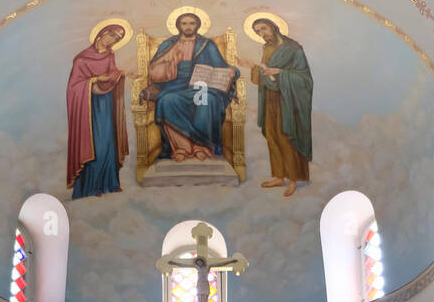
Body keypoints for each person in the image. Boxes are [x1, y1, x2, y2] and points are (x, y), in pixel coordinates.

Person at [144, 11, 237, 162]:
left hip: (203, 86)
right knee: (167, 100)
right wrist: (171, 63)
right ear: (178, 25)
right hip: (175, 86)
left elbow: (222, 66)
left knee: (207, 101)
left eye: (192, 23)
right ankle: (181, 148)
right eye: (184, 23)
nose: (188, 27)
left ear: (198, 25)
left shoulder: (207, 44)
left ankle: (202, 147)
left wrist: (234, 72)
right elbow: (154, 69)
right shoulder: (169, 44)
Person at [241, 17, 312, 198]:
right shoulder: (267, 49)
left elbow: (304, 78)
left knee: (287, 136)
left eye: (264, 29)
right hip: (270, 98)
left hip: (289, 101)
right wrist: (254, 68)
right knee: (272, 136)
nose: (262, 34)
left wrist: (281, 73)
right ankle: (279, 176)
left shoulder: (294, 49)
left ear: (274, 27)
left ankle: (294, 179)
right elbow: (264, 75)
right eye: (258, 32)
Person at [66, 24, 130, 198]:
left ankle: (109, 183)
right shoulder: (81, 59)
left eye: (117, 38)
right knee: (93, 144)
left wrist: (120, 74)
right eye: (112, 35)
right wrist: (94, 79)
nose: (113, 40)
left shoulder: (110, 56)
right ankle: (90, 187)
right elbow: (74, 86)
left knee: (108, 142)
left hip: (106, 103)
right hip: (87, 107)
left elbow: (112, 74)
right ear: (101, 33)